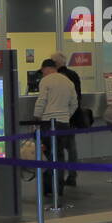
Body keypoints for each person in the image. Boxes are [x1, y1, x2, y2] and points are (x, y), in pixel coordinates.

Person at [33, 58, 77, 195]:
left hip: (48, 122)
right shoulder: (68, 81)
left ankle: (47, 189)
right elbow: (74, 103)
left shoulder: (45, 81)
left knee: (46, 155)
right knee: (60, 155)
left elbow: (42, 100)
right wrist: (66, 116)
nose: (43, 74)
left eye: (43, 71)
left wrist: (36, 117)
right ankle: (59, 188)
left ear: (46, 69)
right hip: (64, 123)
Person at [51, 52, 83, 186]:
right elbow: (77, 96)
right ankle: (72, 175)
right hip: (72, 115)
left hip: (59, 117)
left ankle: (59, 176)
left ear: (56, 63)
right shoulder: (74, 75)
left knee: (58, 148)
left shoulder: (55, 78)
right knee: (71, 147)